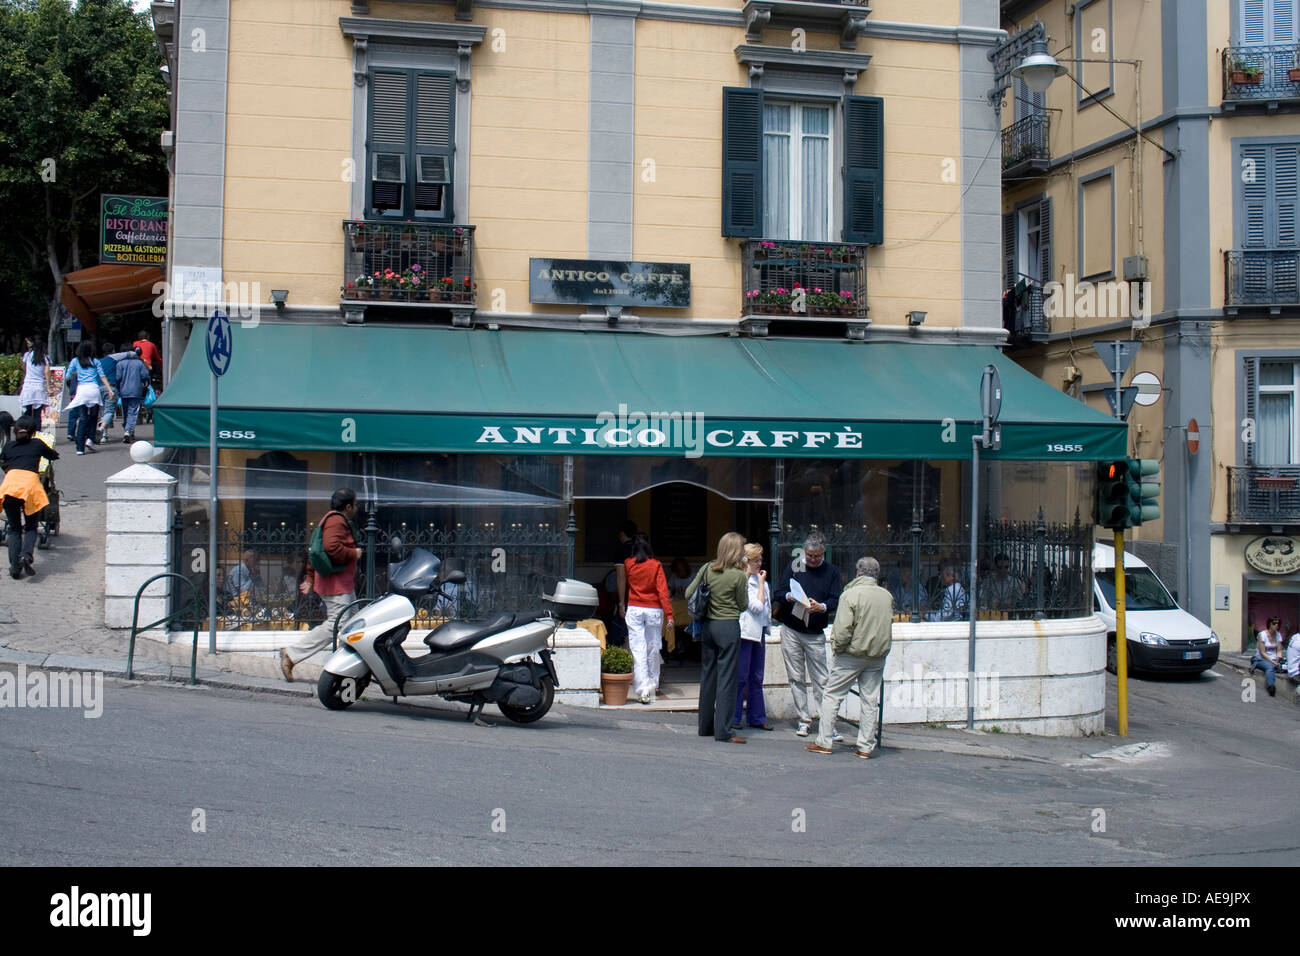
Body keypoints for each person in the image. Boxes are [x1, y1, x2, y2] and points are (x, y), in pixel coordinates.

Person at [806, 557, 894, 759]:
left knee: (832, 695)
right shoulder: (886, 596)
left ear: (858, 572)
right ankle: (865, 746)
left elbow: (844, 628)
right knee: (869, 700)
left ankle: (824, 741)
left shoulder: (850, 594)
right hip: (877, 655)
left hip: (852, 654)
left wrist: (838, 647)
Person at [279, 488, 363, 681]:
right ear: (348, 506)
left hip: (340, 584)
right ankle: (291, 654)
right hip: (337, 585)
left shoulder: (328, 519)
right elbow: (330, 547)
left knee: (355, 625)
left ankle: (350, 669)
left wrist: (309, 578)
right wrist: (353, 553)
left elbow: (315, 551)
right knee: (337, 624)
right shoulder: (337, 521)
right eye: (355, 504)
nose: (356, 508)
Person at [773, 531, 842, 737]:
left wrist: (821, 607)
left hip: (815, 631)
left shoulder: (832, 572)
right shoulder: (795, 567)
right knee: (796, 676)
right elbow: (778, 591)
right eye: (809, 555)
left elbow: (836, 599)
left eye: (817, 556)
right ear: (804, 552)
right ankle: (804, 720)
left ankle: (827, 722)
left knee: (821, 679)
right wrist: (789, 596)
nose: (812, 560)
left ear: (823, 553)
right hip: (792, 628)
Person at [686, 531, 750, 744]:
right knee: (726, 680)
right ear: (735, 551)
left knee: (708, 676)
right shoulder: (739, 575)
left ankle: (704, 726)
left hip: (708, 626)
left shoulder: (707, 569)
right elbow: (743, 605)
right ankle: (723, 730)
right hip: (728, 627)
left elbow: (689, 594)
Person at [0, 415, 58, 579]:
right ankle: (26, 556)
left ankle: (14, 567)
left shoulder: (9, 446)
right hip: (30, 487)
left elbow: (2, 461)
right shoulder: (37, 444)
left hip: (10, 486)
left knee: (14, 529)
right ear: (33, 433)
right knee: (31, 527)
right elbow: (53, 455)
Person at [620, 533, 673, 705]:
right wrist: (670, 614)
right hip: (654, 609)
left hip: (635, 607)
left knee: (638, 649)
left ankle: (642, 688)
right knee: (653, 647)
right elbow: (662, 591)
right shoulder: (656, 565)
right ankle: (652, 684)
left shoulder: (629, 564)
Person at [734, 542, 773, 732]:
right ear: (746, 561)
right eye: (756, 560)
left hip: (760, 632)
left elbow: (766, 610)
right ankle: (734, 717)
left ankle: (757, 717)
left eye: (760, 560)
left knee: (757, 676)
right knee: (741, 676)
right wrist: (762, 585)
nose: (759, 564)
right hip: (746, 632)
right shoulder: (744, 581)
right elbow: (757, 607)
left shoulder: (759, 580)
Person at [63, 342, 114, 455]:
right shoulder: (95, 361)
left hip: (82, 391)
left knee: (83, 418)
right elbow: (102, 376)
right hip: (94, 391)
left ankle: (80, 448)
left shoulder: (75, 361)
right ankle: (90, 439)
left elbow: (67, 376)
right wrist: (109, 389)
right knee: (94, 416)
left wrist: (75, 375)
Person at [113, 347, 150, 443]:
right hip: (136, 391)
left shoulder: (120, 363)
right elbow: (145, 375)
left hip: (124, 391)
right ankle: (128, 430)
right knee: (133, 411)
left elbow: (118, 377)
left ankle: (127, 429)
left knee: (125, 411)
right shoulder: (139, 363)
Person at [18, 338, 53, 421]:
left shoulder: (27, 355)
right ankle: (37, 432)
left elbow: (23, 367)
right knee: (37, 414)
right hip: (39, 387)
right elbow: (47, 371)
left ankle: (27, 430)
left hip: (28, 387)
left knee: (27, 412)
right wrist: (48, 386)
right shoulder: (45, 357)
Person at [1251, 616, 1286, 697]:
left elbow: (1279, 650)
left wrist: (1279, 659)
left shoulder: (1278, 635)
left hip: (1274, 659)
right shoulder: (1262, 635)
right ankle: (1271, 686)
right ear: (1269, 624)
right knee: (1270, 667)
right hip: (1260, 659)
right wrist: (1273, 662)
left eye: (1278, 624)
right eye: (1274, 623)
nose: (1276, 625)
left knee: (1285, 665)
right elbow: (1262, 653)